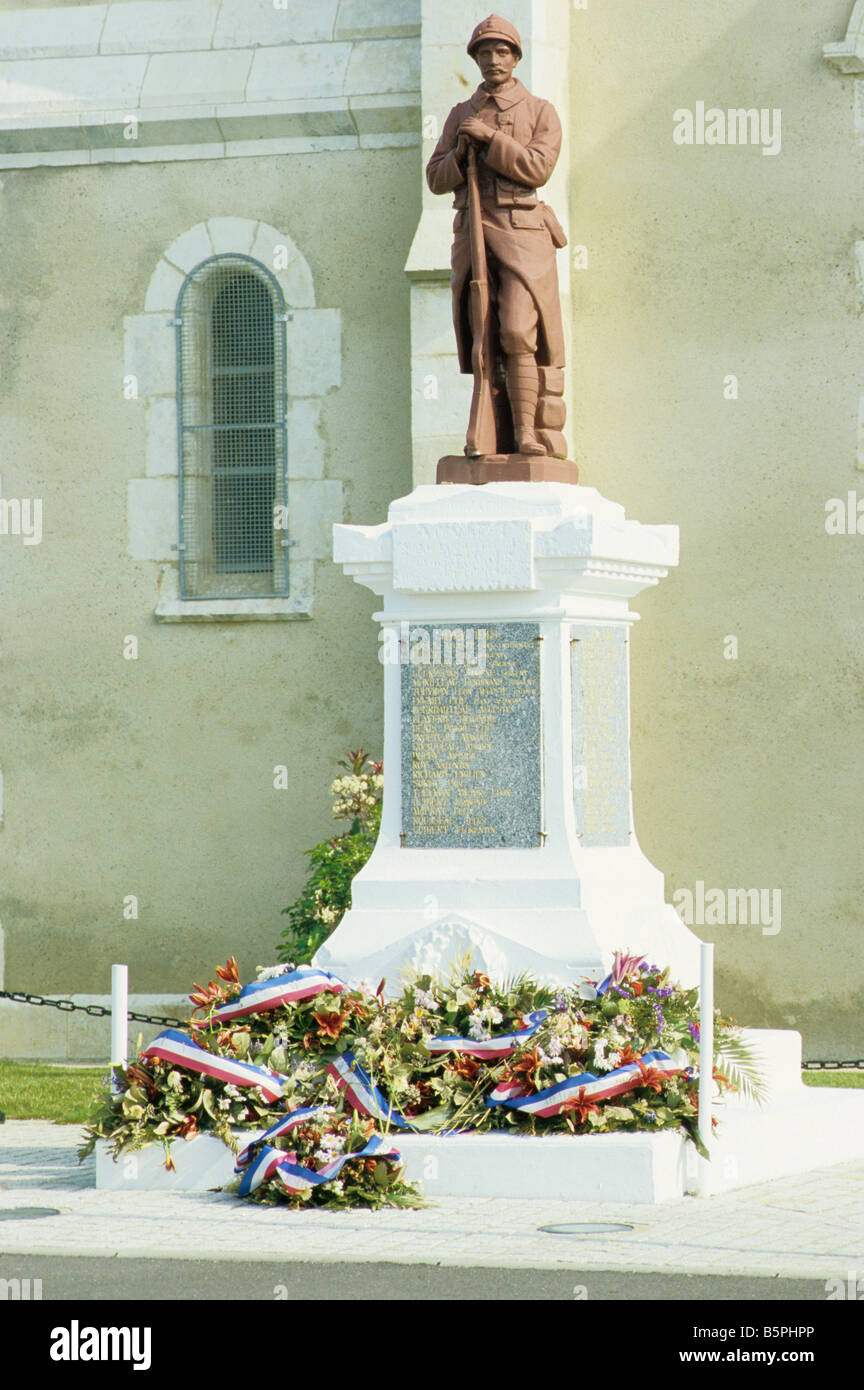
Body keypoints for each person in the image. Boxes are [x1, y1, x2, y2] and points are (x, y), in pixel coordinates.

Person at [426, 13, 568, 458]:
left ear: (515, 57)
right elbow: (435, 177)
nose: (492, 60)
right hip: (474, 236)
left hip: (522, 234)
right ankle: (490, 434)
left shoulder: (540, 111)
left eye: (501, 51)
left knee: (517, 331)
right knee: (482, 339)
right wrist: (462, 151)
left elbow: (537, 168)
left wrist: (489, 139)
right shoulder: (460, 115)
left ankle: (526, 434)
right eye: (484, 52)